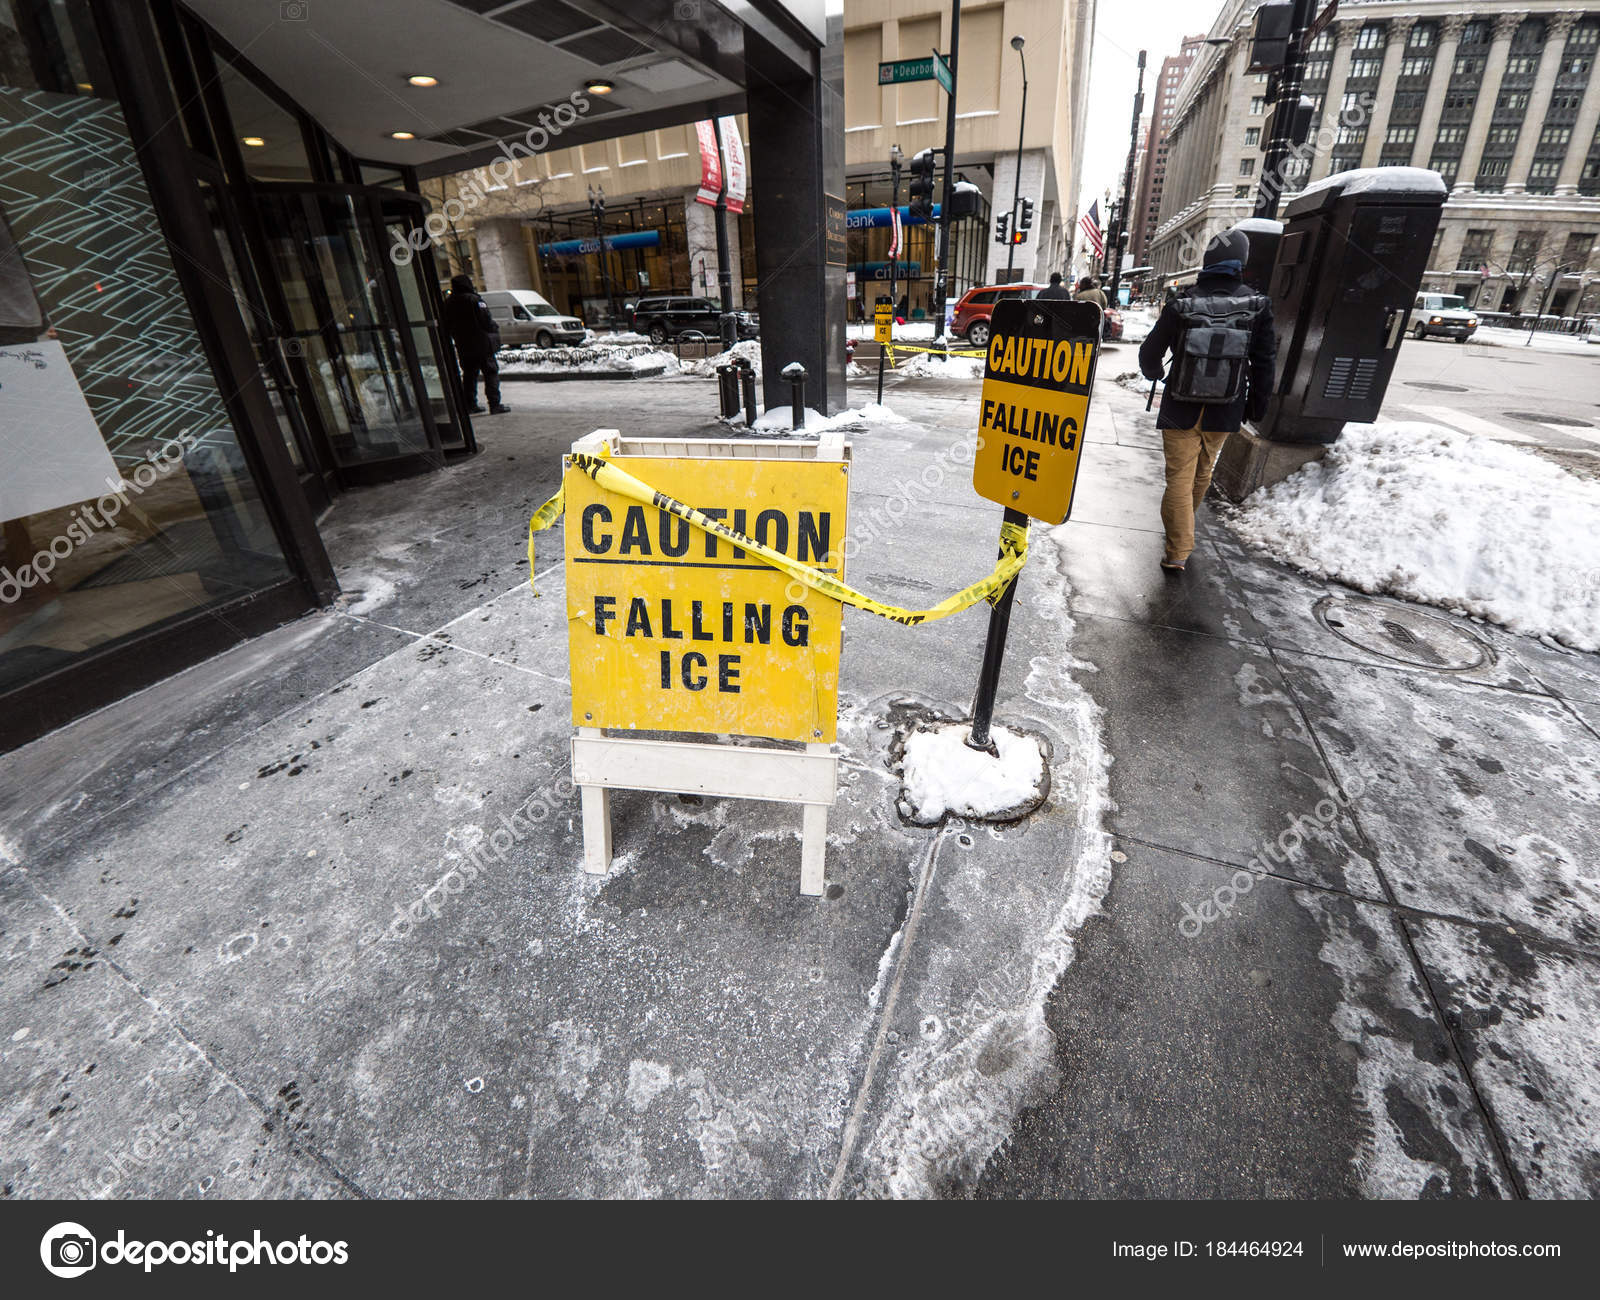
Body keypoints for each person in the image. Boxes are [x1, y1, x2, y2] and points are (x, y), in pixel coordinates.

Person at [1137, 228, 1276, 573]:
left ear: (1208, 261)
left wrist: (1156, 372)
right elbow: (1264, 363)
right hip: (1226, 408)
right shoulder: (1257, 306)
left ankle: (1178, 548)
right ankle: (1181, 533)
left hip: (1180, 405)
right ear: (1241, 262)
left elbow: (1150, 352)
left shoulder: (1183, 303)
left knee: (1179, 477)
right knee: (1202, 471)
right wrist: (1256, 406)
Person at [442, 274, 507, 414]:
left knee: (469, 375)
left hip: (464, 345)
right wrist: (494, 329)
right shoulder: (474, 300)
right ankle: (494, 404)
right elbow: (486, 321)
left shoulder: (448, 303)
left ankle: (470, 404)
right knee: (490, 373)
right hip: (482, 344)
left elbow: (447, 325)